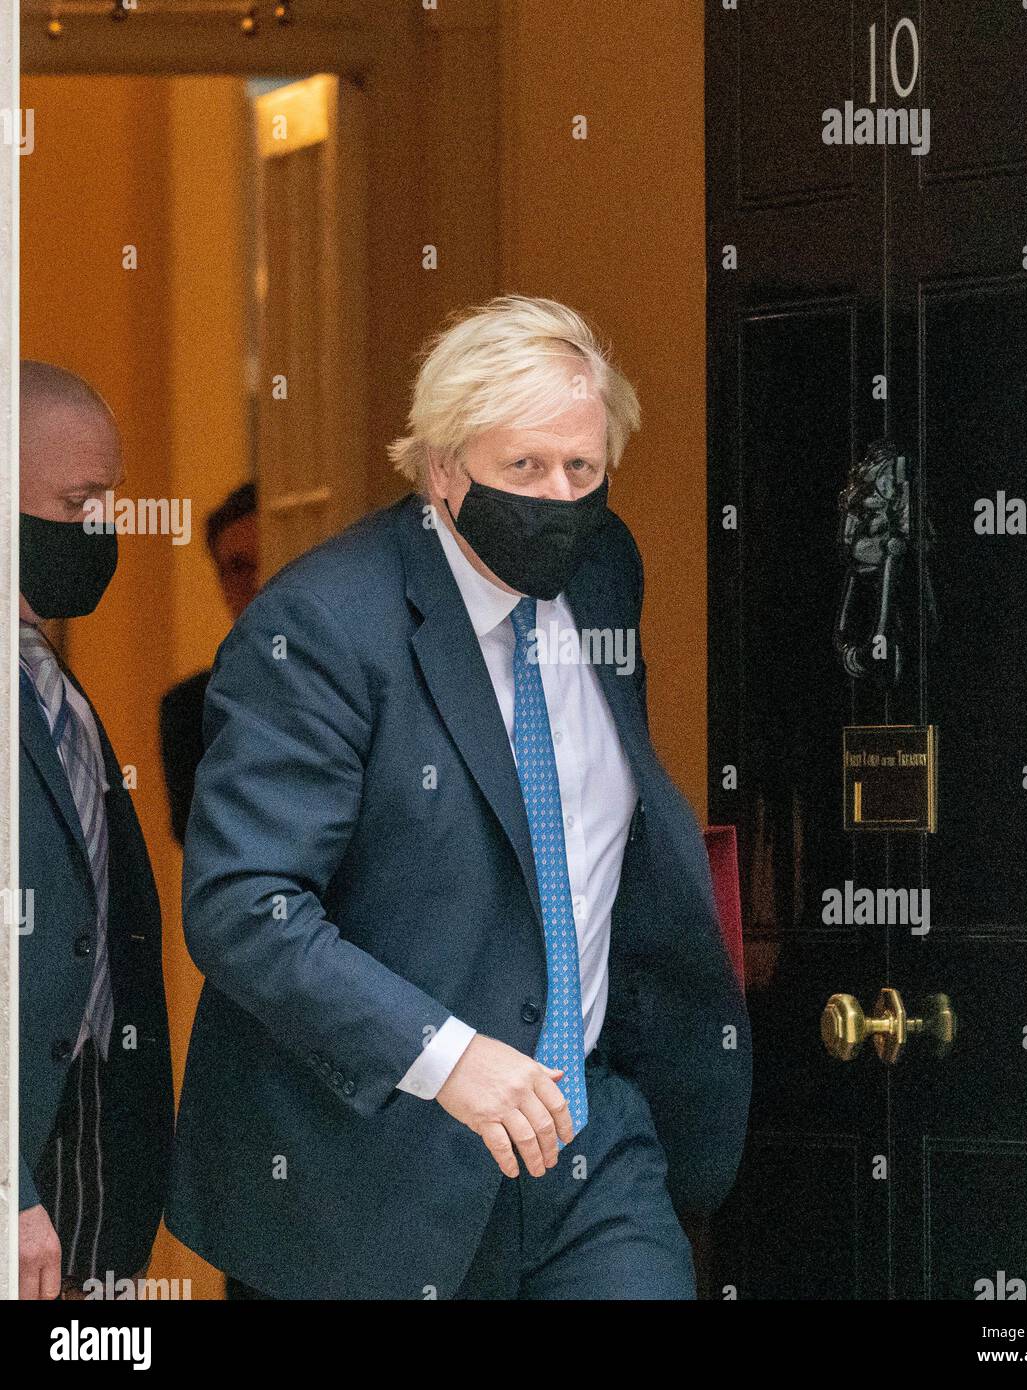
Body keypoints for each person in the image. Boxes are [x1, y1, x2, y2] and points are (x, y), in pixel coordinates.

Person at [165, 295, 751, 1299]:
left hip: (589, 1137)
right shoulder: (321, 626)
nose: (557, 498)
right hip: (379, 1167)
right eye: (522, 468)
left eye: (583, 469)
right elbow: (242, 907)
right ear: (442, 468)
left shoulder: (603, 572)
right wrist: (449, 1058)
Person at [17, 362, 173, 1300]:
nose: (102, 529)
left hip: (84, 1166)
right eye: (79, 502)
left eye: (108, 500)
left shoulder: (51, 683)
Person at [158, 482, 258, 845]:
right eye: (239, 567)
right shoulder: (190, 708)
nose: (258, 581)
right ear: (221, 581)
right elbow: (199, 834)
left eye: (267, 559)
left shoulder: (350, 681)